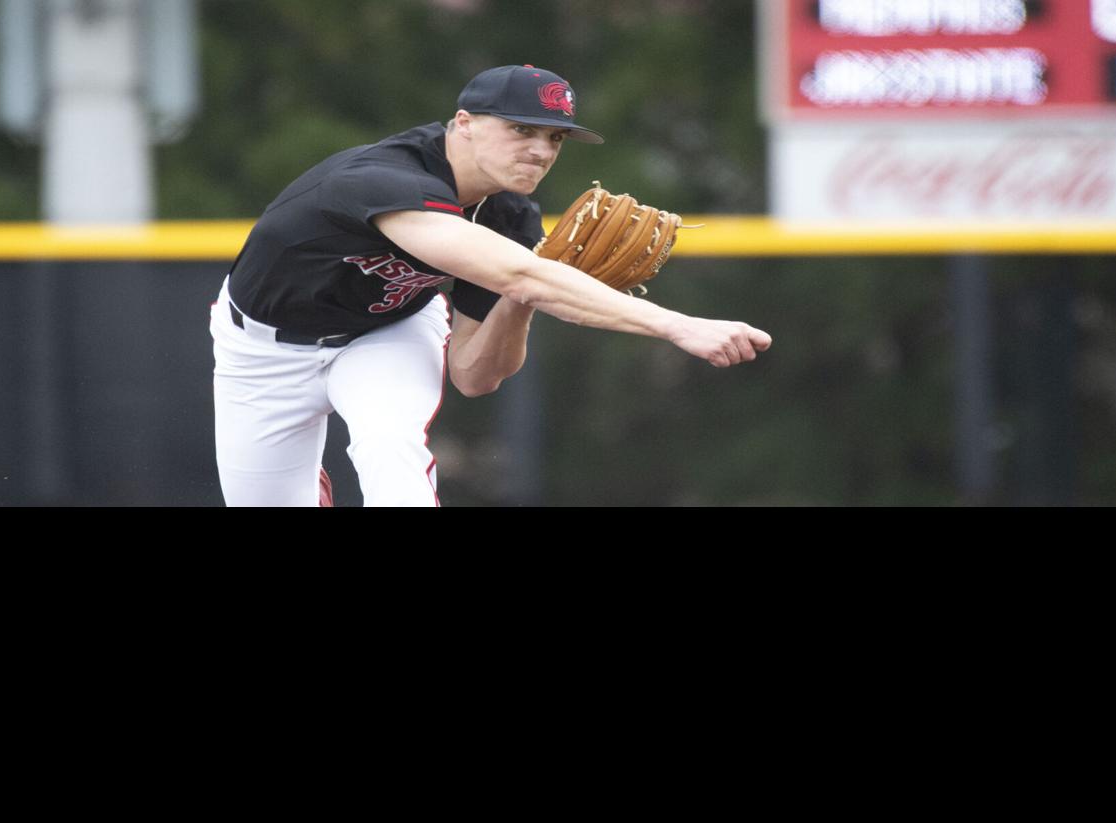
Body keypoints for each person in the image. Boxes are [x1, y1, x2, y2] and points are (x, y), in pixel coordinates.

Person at [210, 64, 770, 506]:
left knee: (390, 446)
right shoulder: (380, 180)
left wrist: (518, 301)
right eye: (521, 129)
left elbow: (476, 375)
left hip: (384, 334)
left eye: (555, 138)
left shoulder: (511, 215)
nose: (540, 150)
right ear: (465, 123)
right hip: (262, 350)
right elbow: (520, 272)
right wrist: (680, 326)